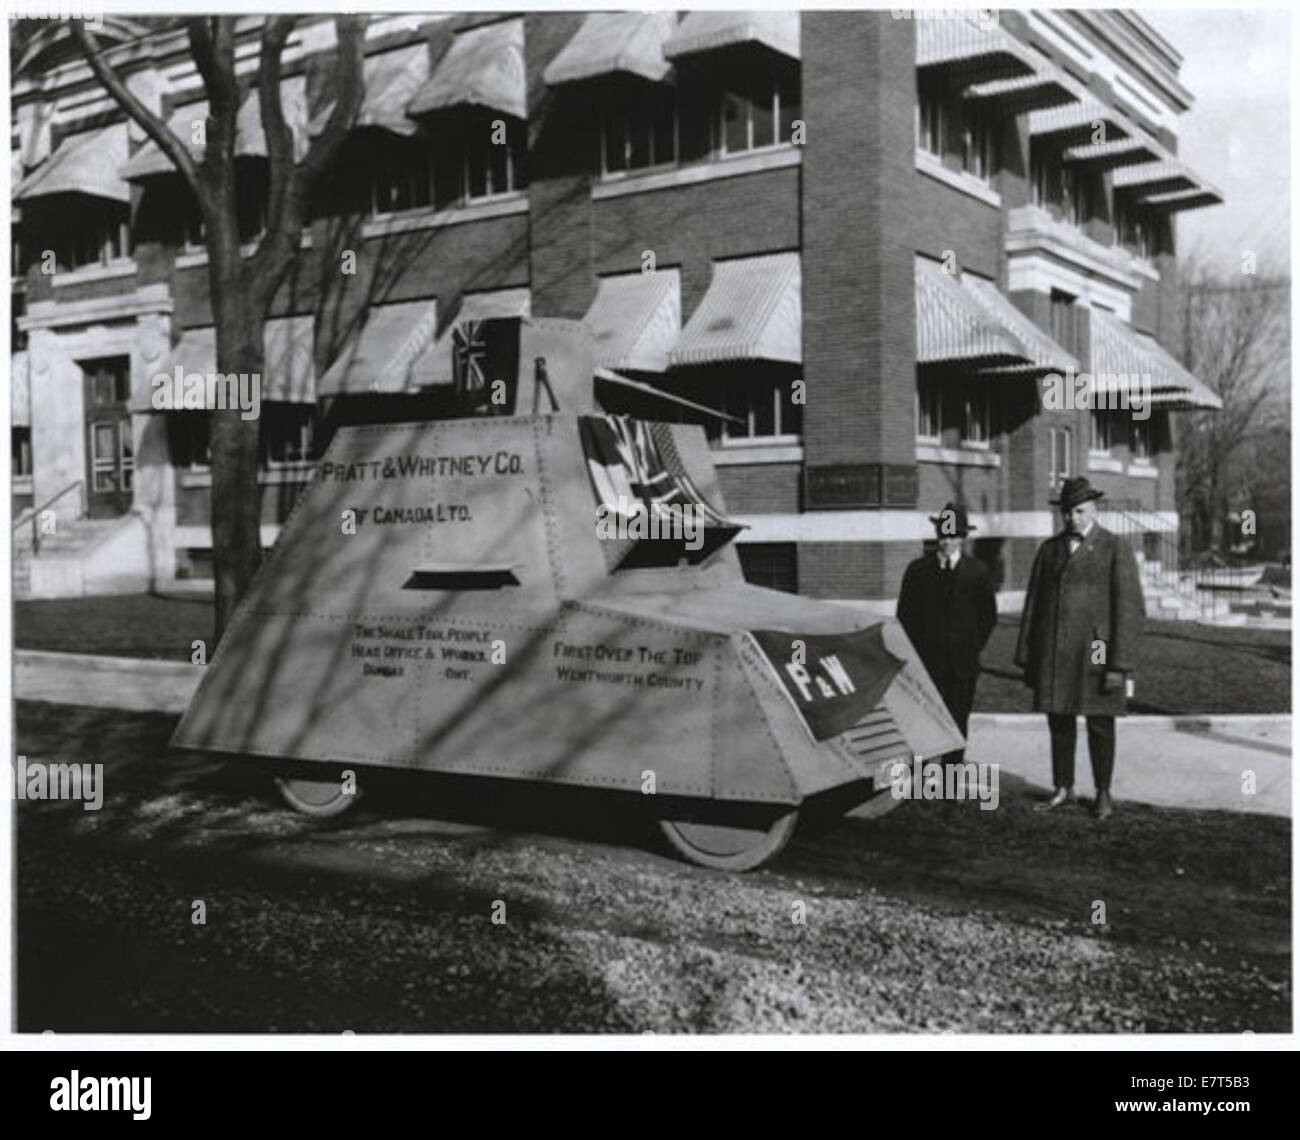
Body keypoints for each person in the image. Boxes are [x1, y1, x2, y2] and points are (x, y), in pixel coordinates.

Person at [1014, 476, 1145, 820]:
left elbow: (1129, 609)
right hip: (1055, 649)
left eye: (1079, 511)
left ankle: (1103, 792)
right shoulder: (1049, 550)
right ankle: (1063, 786)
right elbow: (1034, 603)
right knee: (1059, 719)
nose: (1072, 518)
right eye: (1067, 512)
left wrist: (1119, 664)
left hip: (1097, 649)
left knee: (1100, 720)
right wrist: (1028, 654)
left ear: (1093, 509)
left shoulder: (1115, 547)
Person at [897, 501, 997, 764]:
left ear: (963, 538)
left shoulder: (977, 572)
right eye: (943, 535)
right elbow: (905, 617)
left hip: (962, 663)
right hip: (927, 662)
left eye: (954, 536)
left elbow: (988, 617)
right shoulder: (918, 571)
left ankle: (950, 781)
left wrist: (972, 646)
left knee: (957, 719)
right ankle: (924, 780)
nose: (948, 542)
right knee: (925, 719)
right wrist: (915, 653)